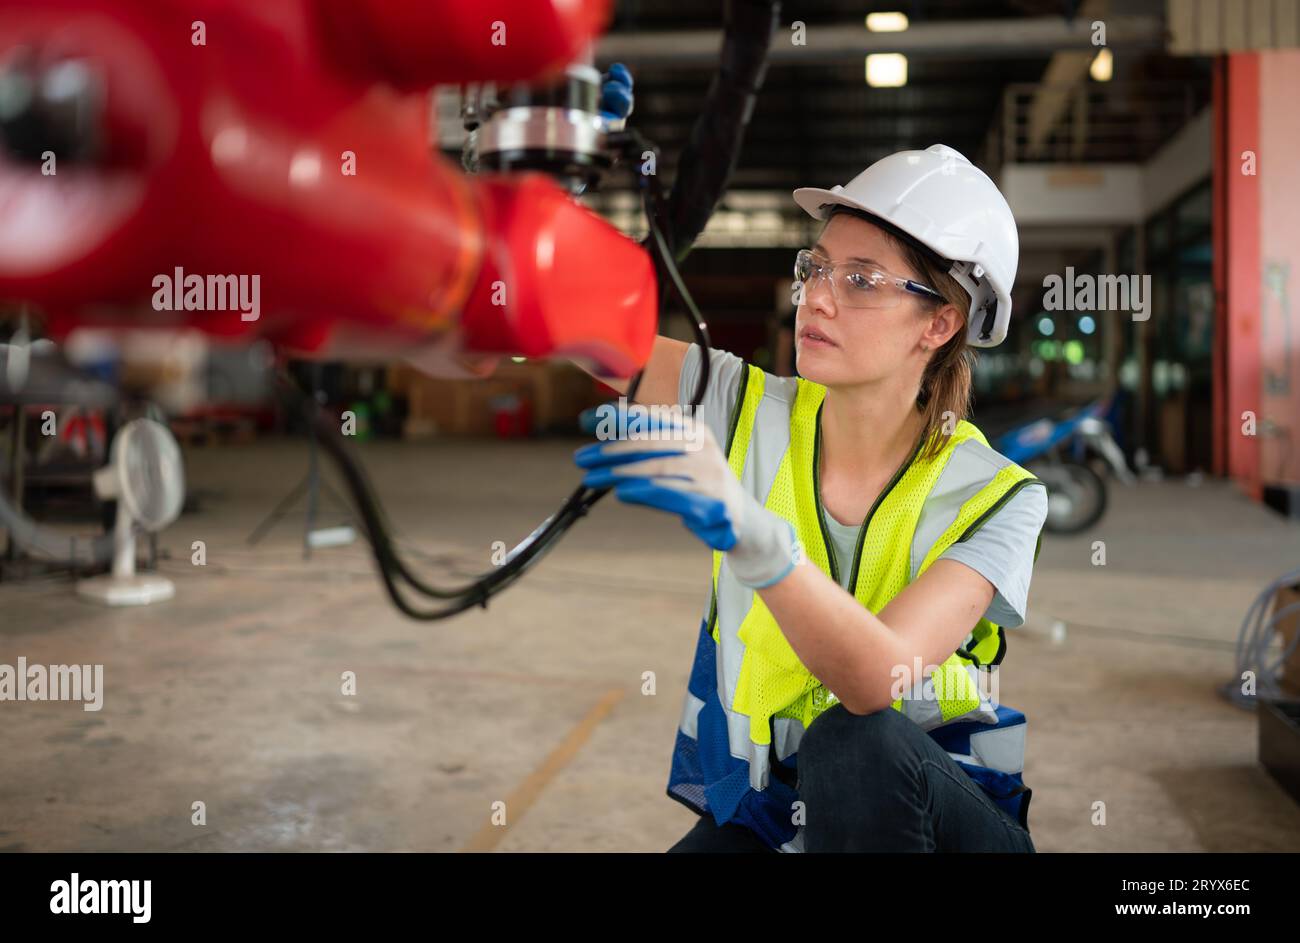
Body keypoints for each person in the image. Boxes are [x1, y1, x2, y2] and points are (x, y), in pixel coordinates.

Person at [573, 144, 1048, 853]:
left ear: (940, 323)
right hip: (777, 809)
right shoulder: (742, 405)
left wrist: (753, 537)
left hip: (938, 818)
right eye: (816, 267)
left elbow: (873, 680)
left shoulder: (997, 496)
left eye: (861, 279)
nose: (816, 296)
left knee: (857, 741)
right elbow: (578, 326)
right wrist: (546, 191)